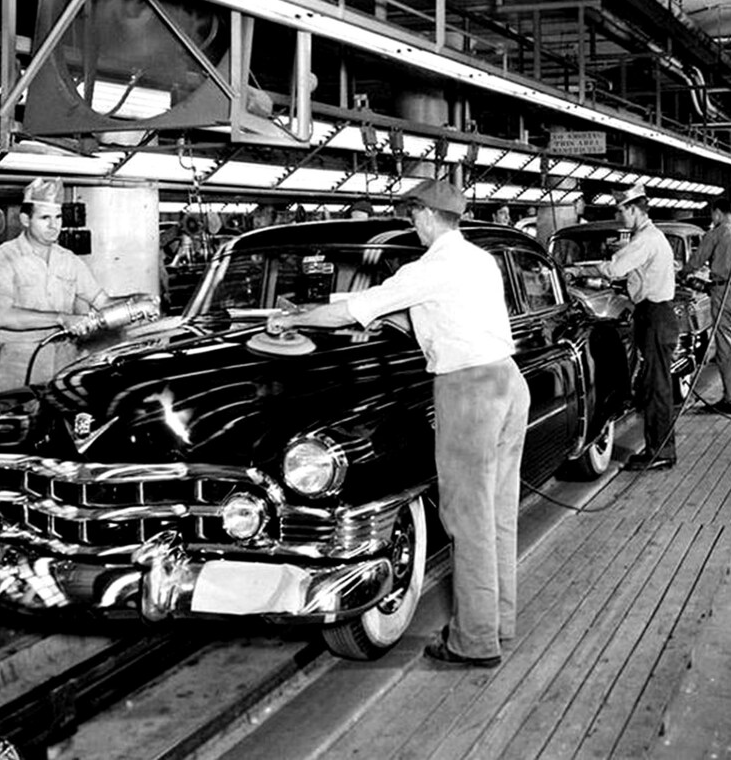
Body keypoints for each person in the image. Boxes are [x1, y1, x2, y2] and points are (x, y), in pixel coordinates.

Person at [268, 178, 530, 668]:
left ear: (427, 215)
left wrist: (296, 319)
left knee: (467, 519)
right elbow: (440, 315)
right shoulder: (480, 260)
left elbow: (351, 310)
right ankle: (497, 621)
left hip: (468, 390)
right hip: (507, 381)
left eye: (414, 215)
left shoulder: (428, 267)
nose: (413, 224)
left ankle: (474, 642)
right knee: (495, 512)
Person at [0, 177, 111, 393]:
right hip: (19, 360)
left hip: (65, 357)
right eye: (45, 218)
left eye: (58, 217)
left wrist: (137, 301)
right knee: (17, 412)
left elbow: (102, 301)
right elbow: (3, 316)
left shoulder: (69, 259)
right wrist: (61, 318)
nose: (54, 225)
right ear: (25, 219)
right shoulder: (1, 258)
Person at [580, 183, 679, 471]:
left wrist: (578, 271)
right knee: (653, 385)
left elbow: (614, 269)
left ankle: (660, 452)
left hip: (655, 317)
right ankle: (659, 447)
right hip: (654, 315)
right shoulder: (649, 237)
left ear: (634, 210)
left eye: (620, 211)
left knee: (657, 387)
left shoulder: (646, 239)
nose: (618, 216)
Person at [682, 197, 731, 415]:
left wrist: (682, 273)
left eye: (712, 214)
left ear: (717, 213)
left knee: (727, 347)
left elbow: (697, 261)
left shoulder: (716, 234)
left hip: (727, 294)